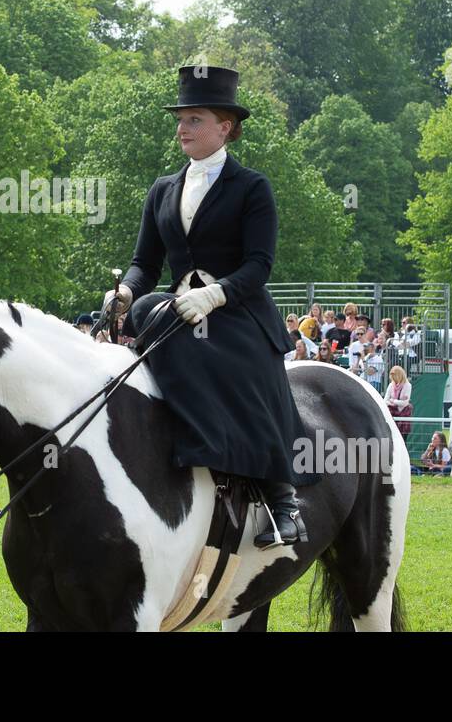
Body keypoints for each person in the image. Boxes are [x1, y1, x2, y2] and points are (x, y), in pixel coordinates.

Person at [109, 64, 312, 547]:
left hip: (237, 308)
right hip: (179, 307)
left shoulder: (252, 187)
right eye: (180, 120)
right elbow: (144, 263)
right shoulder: (162, 188)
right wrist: (125, 293)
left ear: (225, 127)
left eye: (194, 119)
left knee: (239, 367)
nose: (182, 128)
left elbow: (259, 265)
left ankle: (281, 500)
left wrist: (214, 293)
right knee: (146, 313)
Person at [384, 365, 412, 438]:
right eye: (392, 377)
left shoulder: (408, 385)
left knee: (403, 438)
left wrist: (393, 401)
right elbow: (385, 400)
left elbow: (405, 403)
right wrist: (397, 402)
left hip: (404, 414)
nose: (393, 380)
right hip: (392, 414)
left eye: (394, 377)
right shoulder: (391, 385)